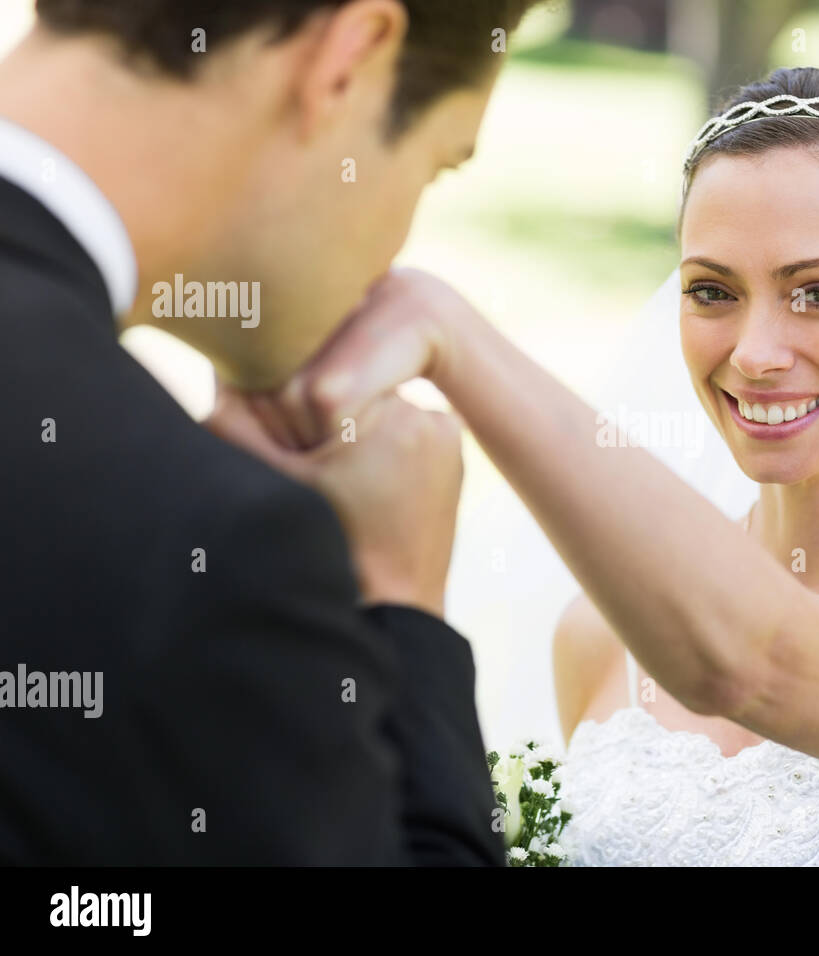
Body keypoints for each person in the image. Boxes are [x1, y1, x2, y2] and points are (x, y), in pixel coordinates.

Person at [266, 66, 819, 867]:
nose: (754, 353)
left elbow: (756, 665)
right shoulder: (599, 639)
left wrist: (451, 339)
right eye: (712, 291)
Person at [0, 0, 542, 865]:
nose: (392, 257)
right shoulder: (212, 538)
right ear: (350, 60)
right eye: (438, 165)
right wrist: (401, 600)